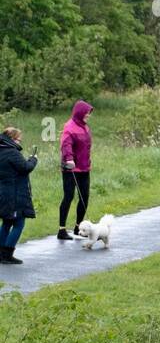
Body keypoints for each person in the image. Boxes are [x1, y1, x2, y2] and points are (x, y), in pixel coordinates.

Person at [0, 126, 38, 265]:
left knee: (6, 222)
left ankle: (1, 253)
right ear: (12, 139)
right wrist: (33, 159)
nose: (20, 142)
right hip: (14, 193)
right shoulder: (12, 153)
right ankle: (7, 254)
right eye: (18, 139)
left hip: (4, 192)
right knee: (19, 223)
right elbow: (25, 168)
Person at [56, 100, 93, 240]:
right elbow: (66, 145)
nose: (88, 116)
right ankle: (62, 229)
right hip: (71, 168)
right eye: (86, 114)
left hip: (84, 168)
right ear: (79, 113)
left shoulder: (85, 127)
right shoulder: (69, 127)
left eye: (89, 114)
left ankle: (78, 228)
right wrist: (69, 159)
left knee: (85, 197)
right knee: (68, 197)